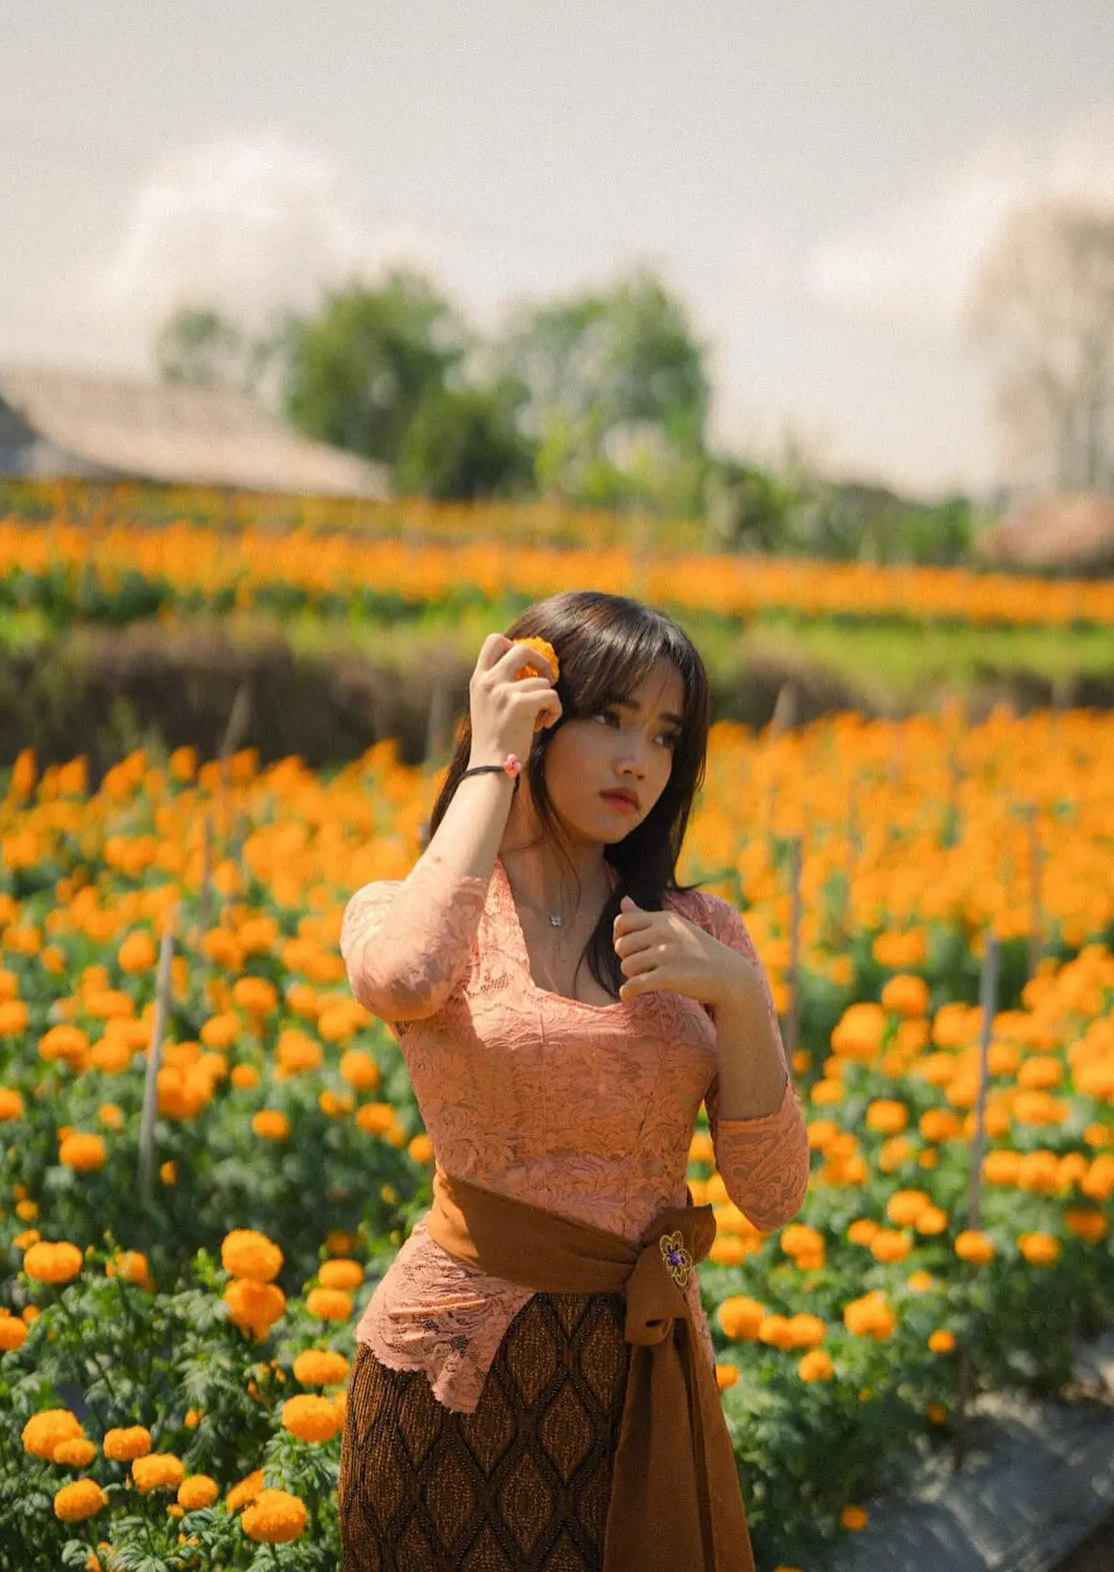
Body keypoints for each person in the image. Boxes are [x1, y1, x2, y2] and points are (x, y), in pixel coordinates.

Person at [336, 590, 809, 1572]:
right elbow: (405, 976)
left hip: (638, 1370)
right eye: (608, 717)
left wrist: (741, 998)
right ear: (539, 715)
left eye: (664, 734)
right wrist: (486, 759)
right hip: (452, 1370)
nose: (638, 757)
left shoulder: (702, 933)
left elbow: (771, 1194)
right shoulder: (418, 909)